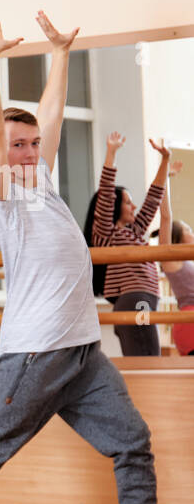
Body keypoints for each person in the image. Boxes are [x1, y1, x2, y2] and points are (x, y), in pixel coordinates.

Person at [0, 13, 193, 504]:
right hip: (35, 355)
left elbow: (50, 116)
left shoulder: (39, 180)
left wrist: (61, 53)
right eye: (17, 145)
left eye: (33, 145)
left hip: (83, 351)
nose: (27, 151)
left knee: (132, 439)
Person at [84, 131, 168, 355]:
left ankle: (142, 391)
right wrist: (111, 153)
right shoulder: (107, 234)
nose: (134, 207)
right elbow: (106, 194)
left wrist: (165, 160)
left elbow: (153, 199)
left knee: (147, 354)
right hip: (136, 299)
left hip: (145, 300)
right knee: (148, 356)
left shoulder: (135, 232)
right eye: (128, 203)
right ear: (114, 208)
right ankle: (144, 392)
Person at [154, 155, 194, 354]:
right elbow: (166, 217)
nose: (192, 232)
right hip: (189, 324)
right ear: (178, 236)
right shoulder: (173, 261)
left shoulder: (189, 259)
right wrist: (166, 178)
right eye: (188, 229)